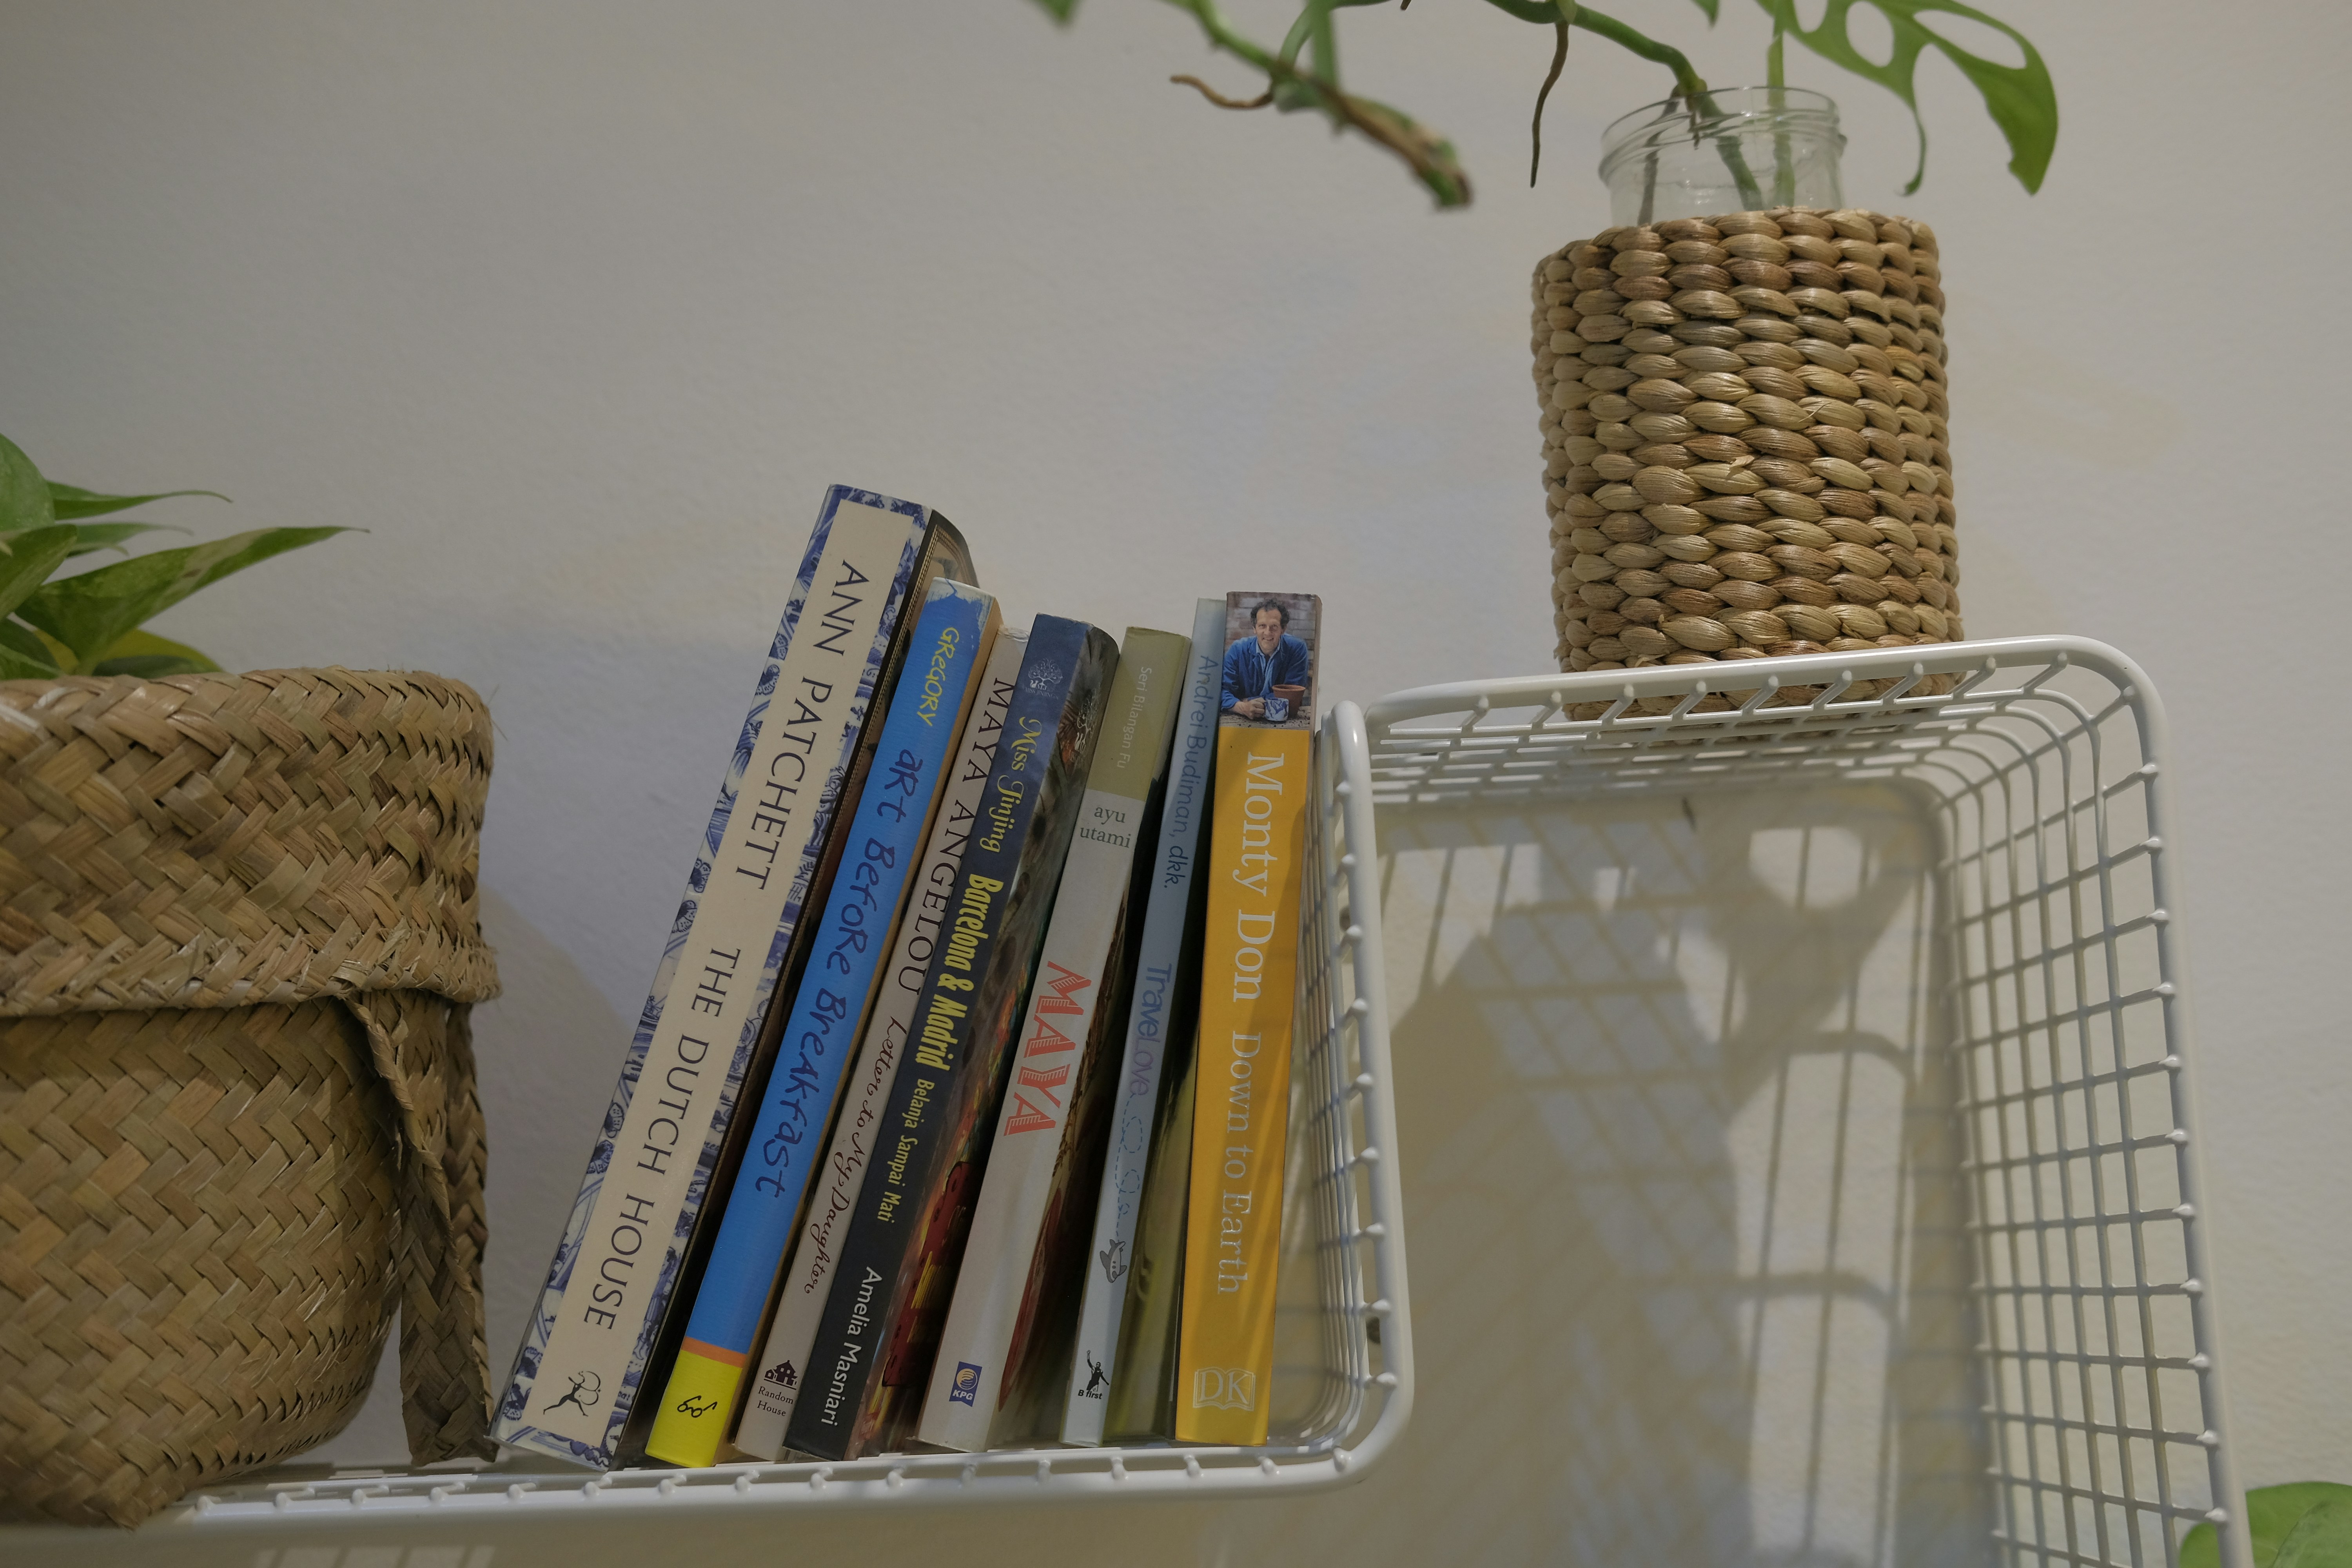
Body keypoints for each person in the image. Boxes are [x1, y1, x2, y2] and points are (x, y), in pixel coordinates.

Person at [1221, 601, 1309, 720]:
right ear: (1254, 628)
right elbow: (1221, 691)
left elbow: (1292, 695)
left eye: (1274, 626)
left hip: (1284, 721)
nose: (1268, 633)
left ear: (1283, 629)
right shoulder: (1238, 650)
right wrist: (1242, 706)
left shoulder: (1297, 648)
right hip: (1242, 720)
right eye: (1262, 626)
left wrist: (1248, 701)